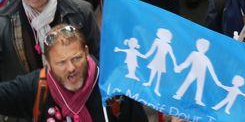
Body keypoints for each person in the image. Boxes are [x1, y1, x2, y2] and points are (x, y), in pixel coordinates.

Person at [0, 24, 147, 121]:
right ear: (48, 63)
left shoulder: (114, 85)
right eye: (61, 62)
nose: (71, 68)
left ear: (87, 52)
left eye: (76, 58)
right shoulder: (37, 87)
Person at [0, 0, 99, 82]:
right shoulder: (4, 20)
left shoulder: (81, 11)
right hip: (30, 98)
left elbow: (97, 57)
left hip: (77, 91)